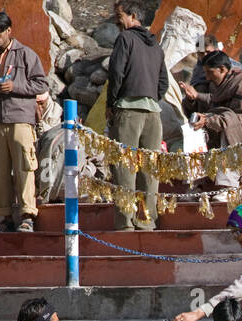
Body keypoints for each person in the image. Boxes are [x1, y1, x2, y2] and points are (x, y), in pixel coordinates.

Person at [0, 12, 48, 235]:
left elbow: (40, 85)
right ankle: (5, 218)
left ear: (9, 31)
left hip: (21, 120)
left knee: (25, 167)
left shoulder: (26, 55)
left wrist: (14, 86)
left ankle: (27, 216)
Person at [105, 0, 169, 231]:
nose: (116, 20)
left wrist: (111, 104)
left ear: (132, 15)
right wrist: (151, 98)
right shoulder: (156, 45)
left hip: (127, 111)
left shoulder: (125, 39)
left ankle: (125, 223)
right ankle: (147, 222)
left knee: (124, 168)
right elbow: (164, 82)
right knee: (149, 171)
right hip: (153, 113)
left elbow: (116, 72)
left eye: (119, 15)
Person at [179, 52, 242, 190]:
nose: (207, 77)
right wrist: (193, 99)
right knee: (194, 127)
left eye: (210, 72)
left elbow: (241, 119)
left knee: (229, 125)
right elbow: (212, 103)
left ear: (222, 69)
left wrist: (209, 120)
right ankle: (195, 184)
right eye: (205, 73)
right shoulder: (216, 84)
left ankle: (227, 185)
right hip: (230, 133)